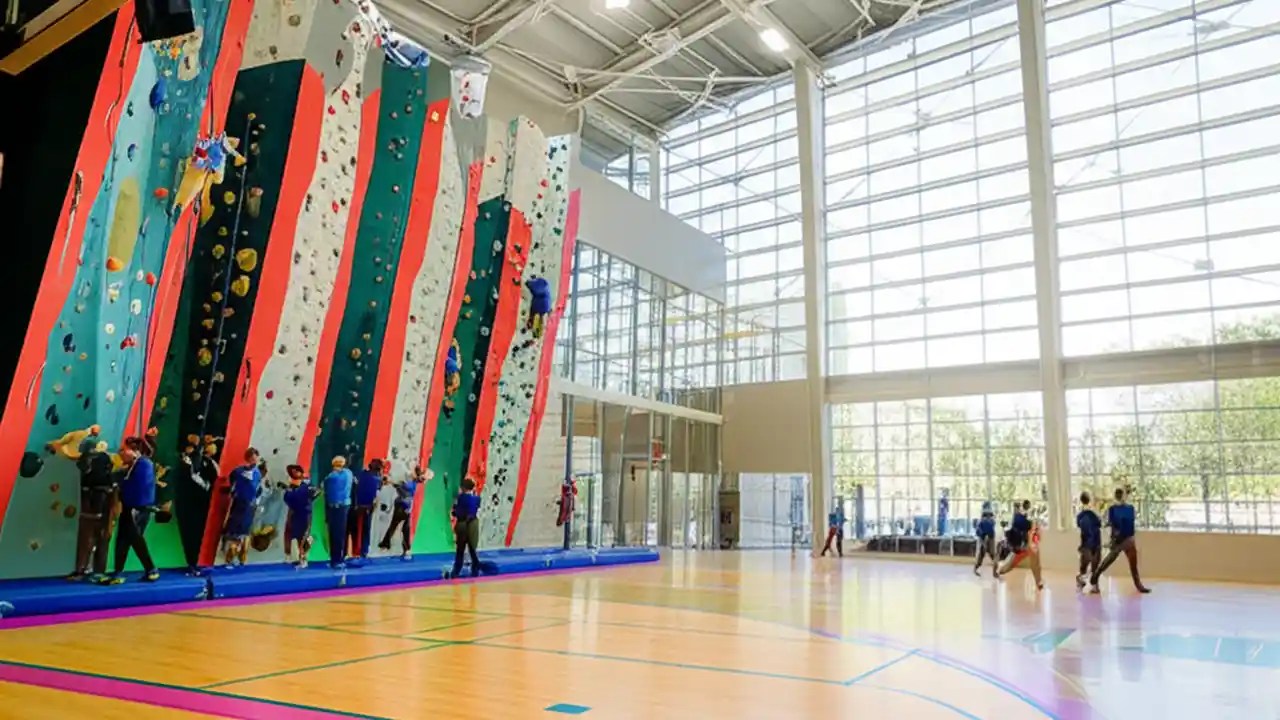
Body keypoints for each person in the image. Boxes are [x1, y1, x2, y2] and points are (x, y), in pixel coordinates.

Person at [99, 437, 159, 584]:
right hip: (129, 508)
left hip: (137, 509)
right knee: (122, 540)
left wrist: (121, 485)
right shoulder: (132, 467)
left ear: (133, 451)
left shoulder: (144, 465)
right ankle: (118, 572)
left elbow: (136, 488)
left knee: (135, 539)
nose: (120, 454)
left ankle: (151, 568)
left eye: (122, 450)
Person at [68, 439, 116, 581]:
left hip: (93, 503)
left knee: (87, 537)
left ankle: (82, 569)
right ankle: (97, 570)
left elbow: (88, 476)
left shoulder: (90, 462)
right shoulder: (104, 460)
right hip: (103, 502)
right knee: (101, 537)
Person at [1090, 487, 1152, 594]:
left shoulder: (1128, 508)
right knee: (1108, 561)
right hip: (1119, 540)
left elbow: (1125, 523)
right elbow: (1111, 524)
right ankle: (1095, 577)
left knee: (1132, 565)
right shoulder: (1114, 509)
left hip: (1127, 539)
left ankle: (1139, 585)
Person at [221, 448, 262, 567]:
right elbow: (232, 485)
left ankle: (241, 559)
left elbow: (258, 490)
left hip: (249, 506)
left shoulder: (257, 473)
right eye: (252, 457)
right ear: (248, 458)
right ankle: (231, 559)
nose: (254, 460)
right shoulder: (238, 472)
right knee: (236, 532)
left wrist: (256, 502)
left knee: (244, 532)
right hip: (239, 505)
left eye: (255, 457)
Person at [380, 465, 424, 559]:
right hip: (405, 506)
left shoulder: (408, 483)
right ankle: (392, 544)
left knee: (400, 526)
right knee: (401, 526)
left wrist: (390, 481)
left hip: (403, 506)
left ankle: (389, 544)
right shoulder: (413, 482)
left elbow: (398, 484)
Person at [996, 499, 1042, 590]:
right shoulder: (1018, 518)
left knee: (1035, 564)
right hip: (1020, 546)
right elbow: (1028, 525)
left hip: (1027, 545)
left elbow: (1032, 528)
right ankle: (999, 571)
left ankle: (1038, 582)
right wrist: (1032, 522)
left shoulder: (1022, 517)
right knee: (1011, 563)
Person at [283, 464, 320, 568]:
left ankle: (303, 558)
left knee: (303, 537)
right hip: (295, 514)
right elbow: (287, 499)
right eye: (292, 472)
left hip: (305, 514)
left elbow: (317, 492)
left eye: (296, 471)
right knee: (296, 537)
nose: (294, 473)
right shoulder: (291, 487)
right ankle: (302, 555)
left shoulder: (307, 485)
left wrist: (308, 501)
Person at [349, 458, 384, 561]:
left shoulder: (362, 474)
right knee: (364, 530)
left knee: (357, 530)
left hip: (357, 506)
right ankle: (362, 552)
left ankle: (357, 552)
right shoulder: (376, 479)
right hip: (365, 507)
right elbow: (375, 493)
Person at [323, 456, 354, 569]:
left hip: (339, 507)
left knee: (337, 534)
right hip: (340, 506)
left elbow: (328, 482)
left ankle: (338, 559)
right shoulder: (348, 473)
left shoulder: (333, 476)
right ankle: (336, 559)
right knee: (336, 533)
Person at [451, 477, 482, 578]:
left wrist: (454, 510)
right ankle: (475, 569)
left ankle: (456, 572)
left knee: (460, 549)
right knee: (472, 549)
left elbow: (456, 512)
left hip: (463, 523)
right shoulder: (477, 498)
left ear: (463, 487)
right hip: (473, 523)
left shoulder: (461, 498)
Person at [1076, 491, 1103, 591]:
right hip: (1094, 542)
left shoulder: (1080, 516)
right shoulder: (1094, 514)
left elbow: (1080, 525)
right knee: (1094, 565)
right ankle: (1094, 585)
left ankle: (1082, 582)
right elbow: (1099, 524)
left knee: (1084, 565)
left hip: (1087, 543)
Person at [973, 501, 997, 577]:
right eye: (986, 515)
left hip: (989, 536)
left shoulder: (989, 520)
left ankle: (995, 570)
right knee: (982, 553)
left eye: (989, 515)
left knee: (992, 554)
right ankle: (976, 568)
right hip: (984, 536)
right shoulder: (982, 521)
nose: (988, 517)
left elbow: (992, 524)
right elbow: (979, 530)